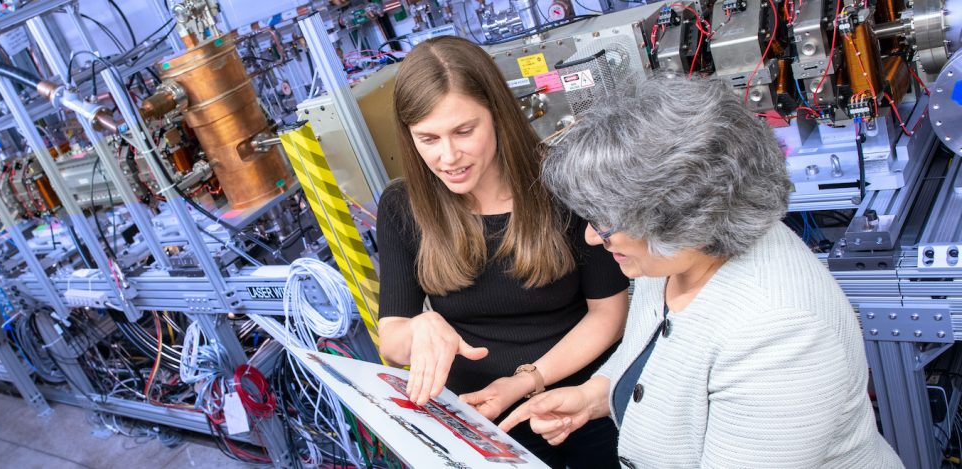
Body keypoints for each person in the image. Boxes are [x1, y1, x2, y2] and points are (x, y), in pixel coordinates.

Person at [500, 77, 905, 468]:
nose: (592, 237)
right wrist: (594, 396)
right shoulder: (678, 253)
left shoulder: (779, 334)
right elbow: (652, 354)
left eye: (604, 221)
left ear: (674, 213)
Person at [375, 36, 630, 468]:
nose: (448, 157)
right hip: (476, 419)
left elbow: (609, 314)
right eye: (428, 138)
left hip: (579, 400)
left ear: (497, 113)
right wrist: (420, 328)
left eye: (464, 131)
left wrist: (525, 381)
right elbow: (393, 339)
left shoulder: (565, 183)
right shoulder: (403, 206)